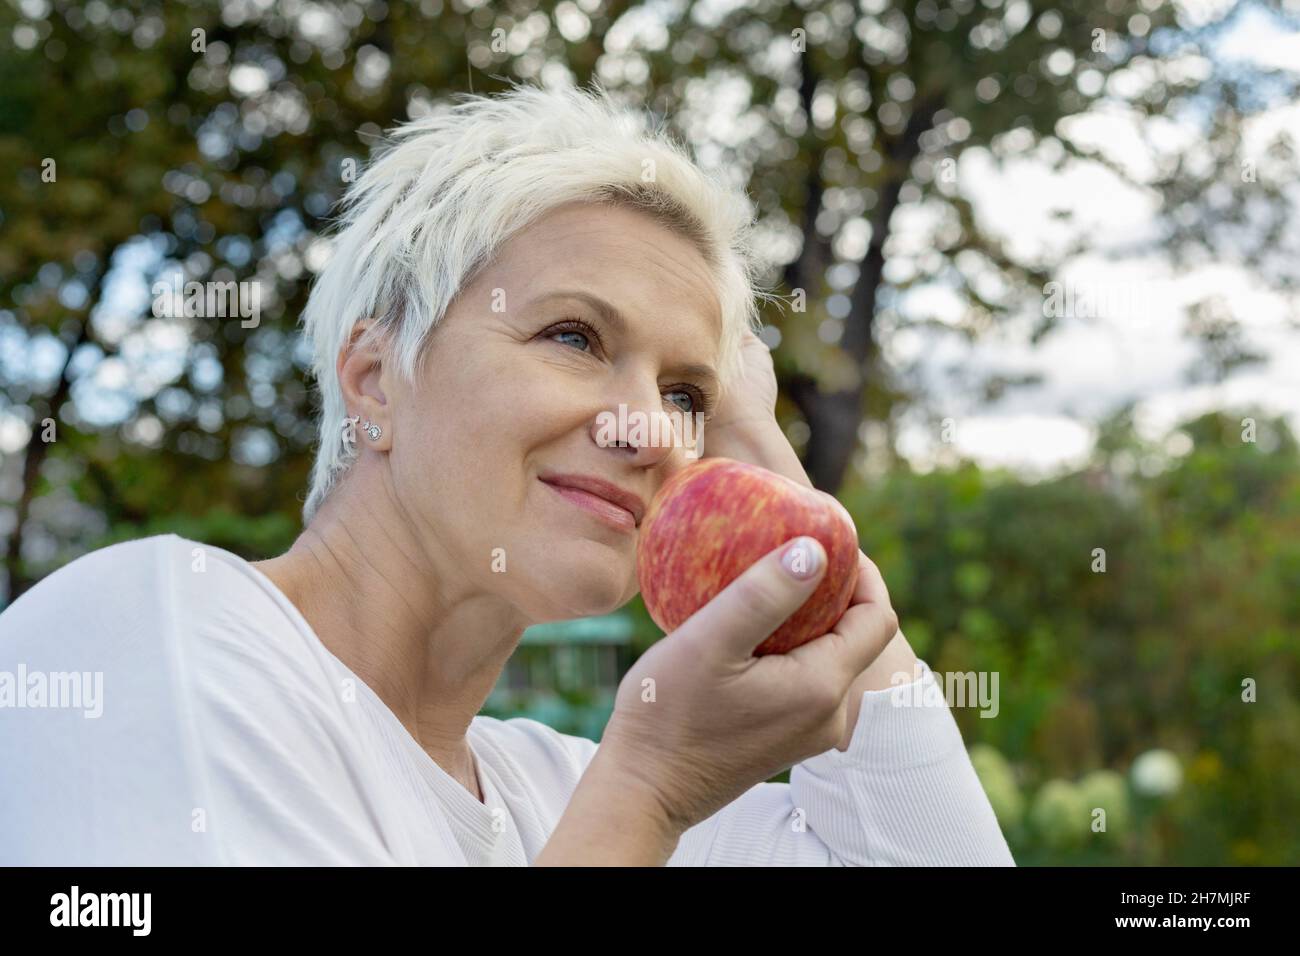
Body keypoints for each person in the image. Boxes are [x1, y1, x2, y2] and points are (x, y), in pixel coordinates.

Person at [0, 82, 1013, 866]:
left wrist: (773, 484)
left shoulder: (550, 782)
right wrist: (647, 795)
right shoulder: (146, 627)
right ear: (373, 379)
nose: (649, 428)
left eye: (685, 393)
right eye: (573, 334)